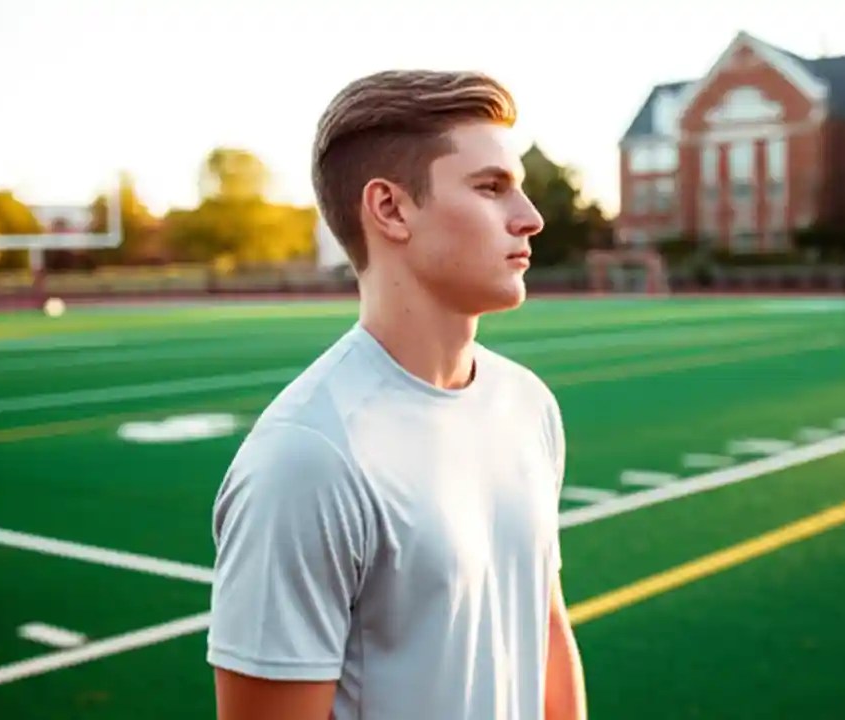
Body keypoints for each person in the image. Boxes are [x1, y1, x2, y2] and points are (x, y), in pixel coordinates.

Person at [206, 69, 587, 720]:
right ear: (389, 209)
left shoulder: (528, 406)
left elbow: (544, 632)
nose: (530, 217)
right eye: (491, 188)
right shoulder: (306, 458)